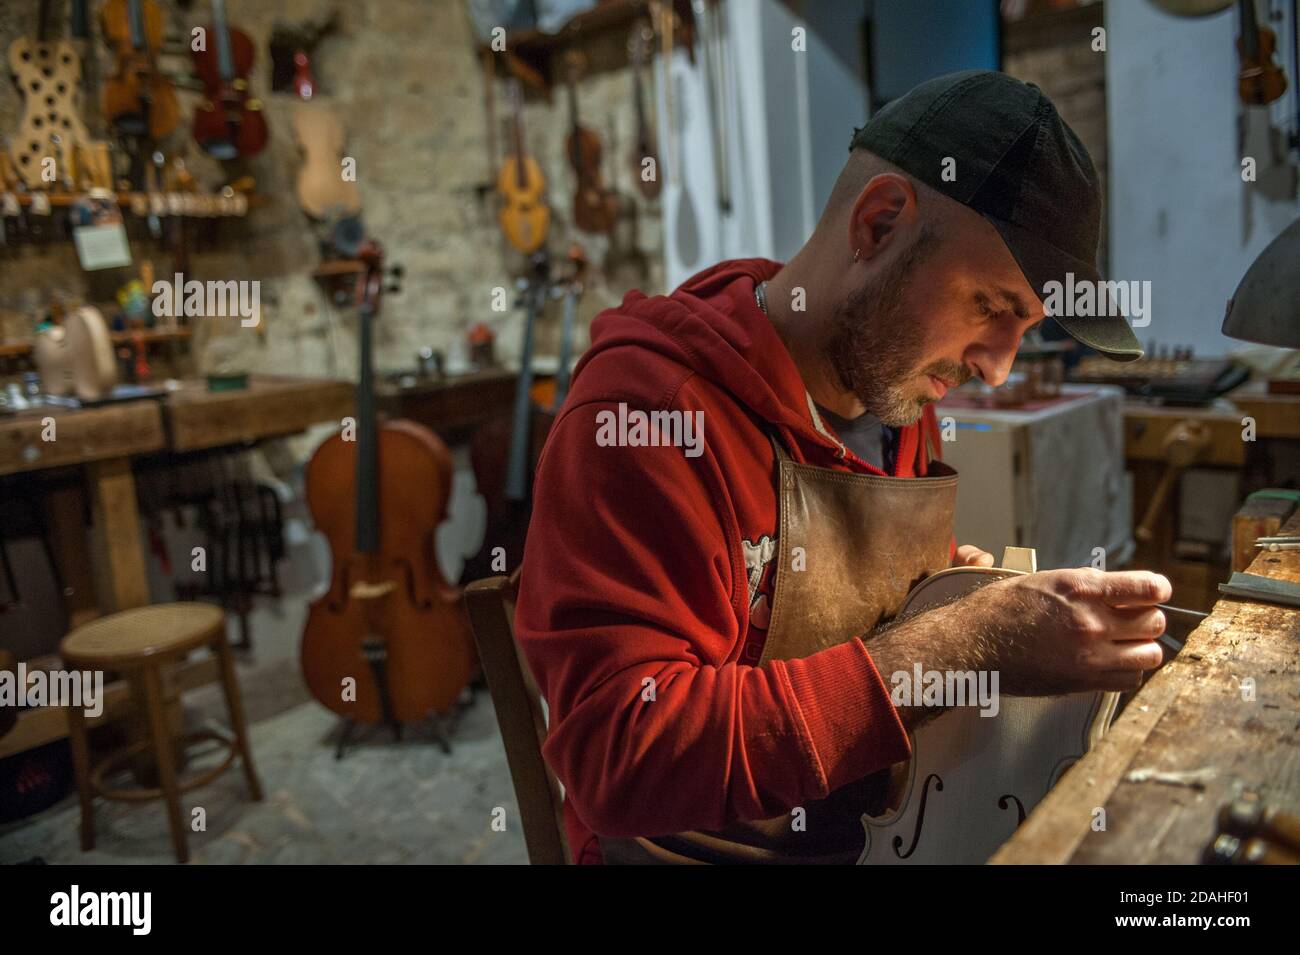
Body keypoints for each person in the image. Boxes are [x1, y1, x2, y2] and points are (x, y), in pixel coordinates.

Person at [515, 70, 1170, 865]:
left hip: (863, 831)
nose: (999, 367)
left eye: (1023, 327)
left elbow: (839, 639)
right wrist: (961, 644)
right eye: (991, 306)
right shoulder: (647, 415)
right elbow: (621, 760)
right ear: (879, 222)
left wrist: (932, 600)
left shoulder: (895, 396)